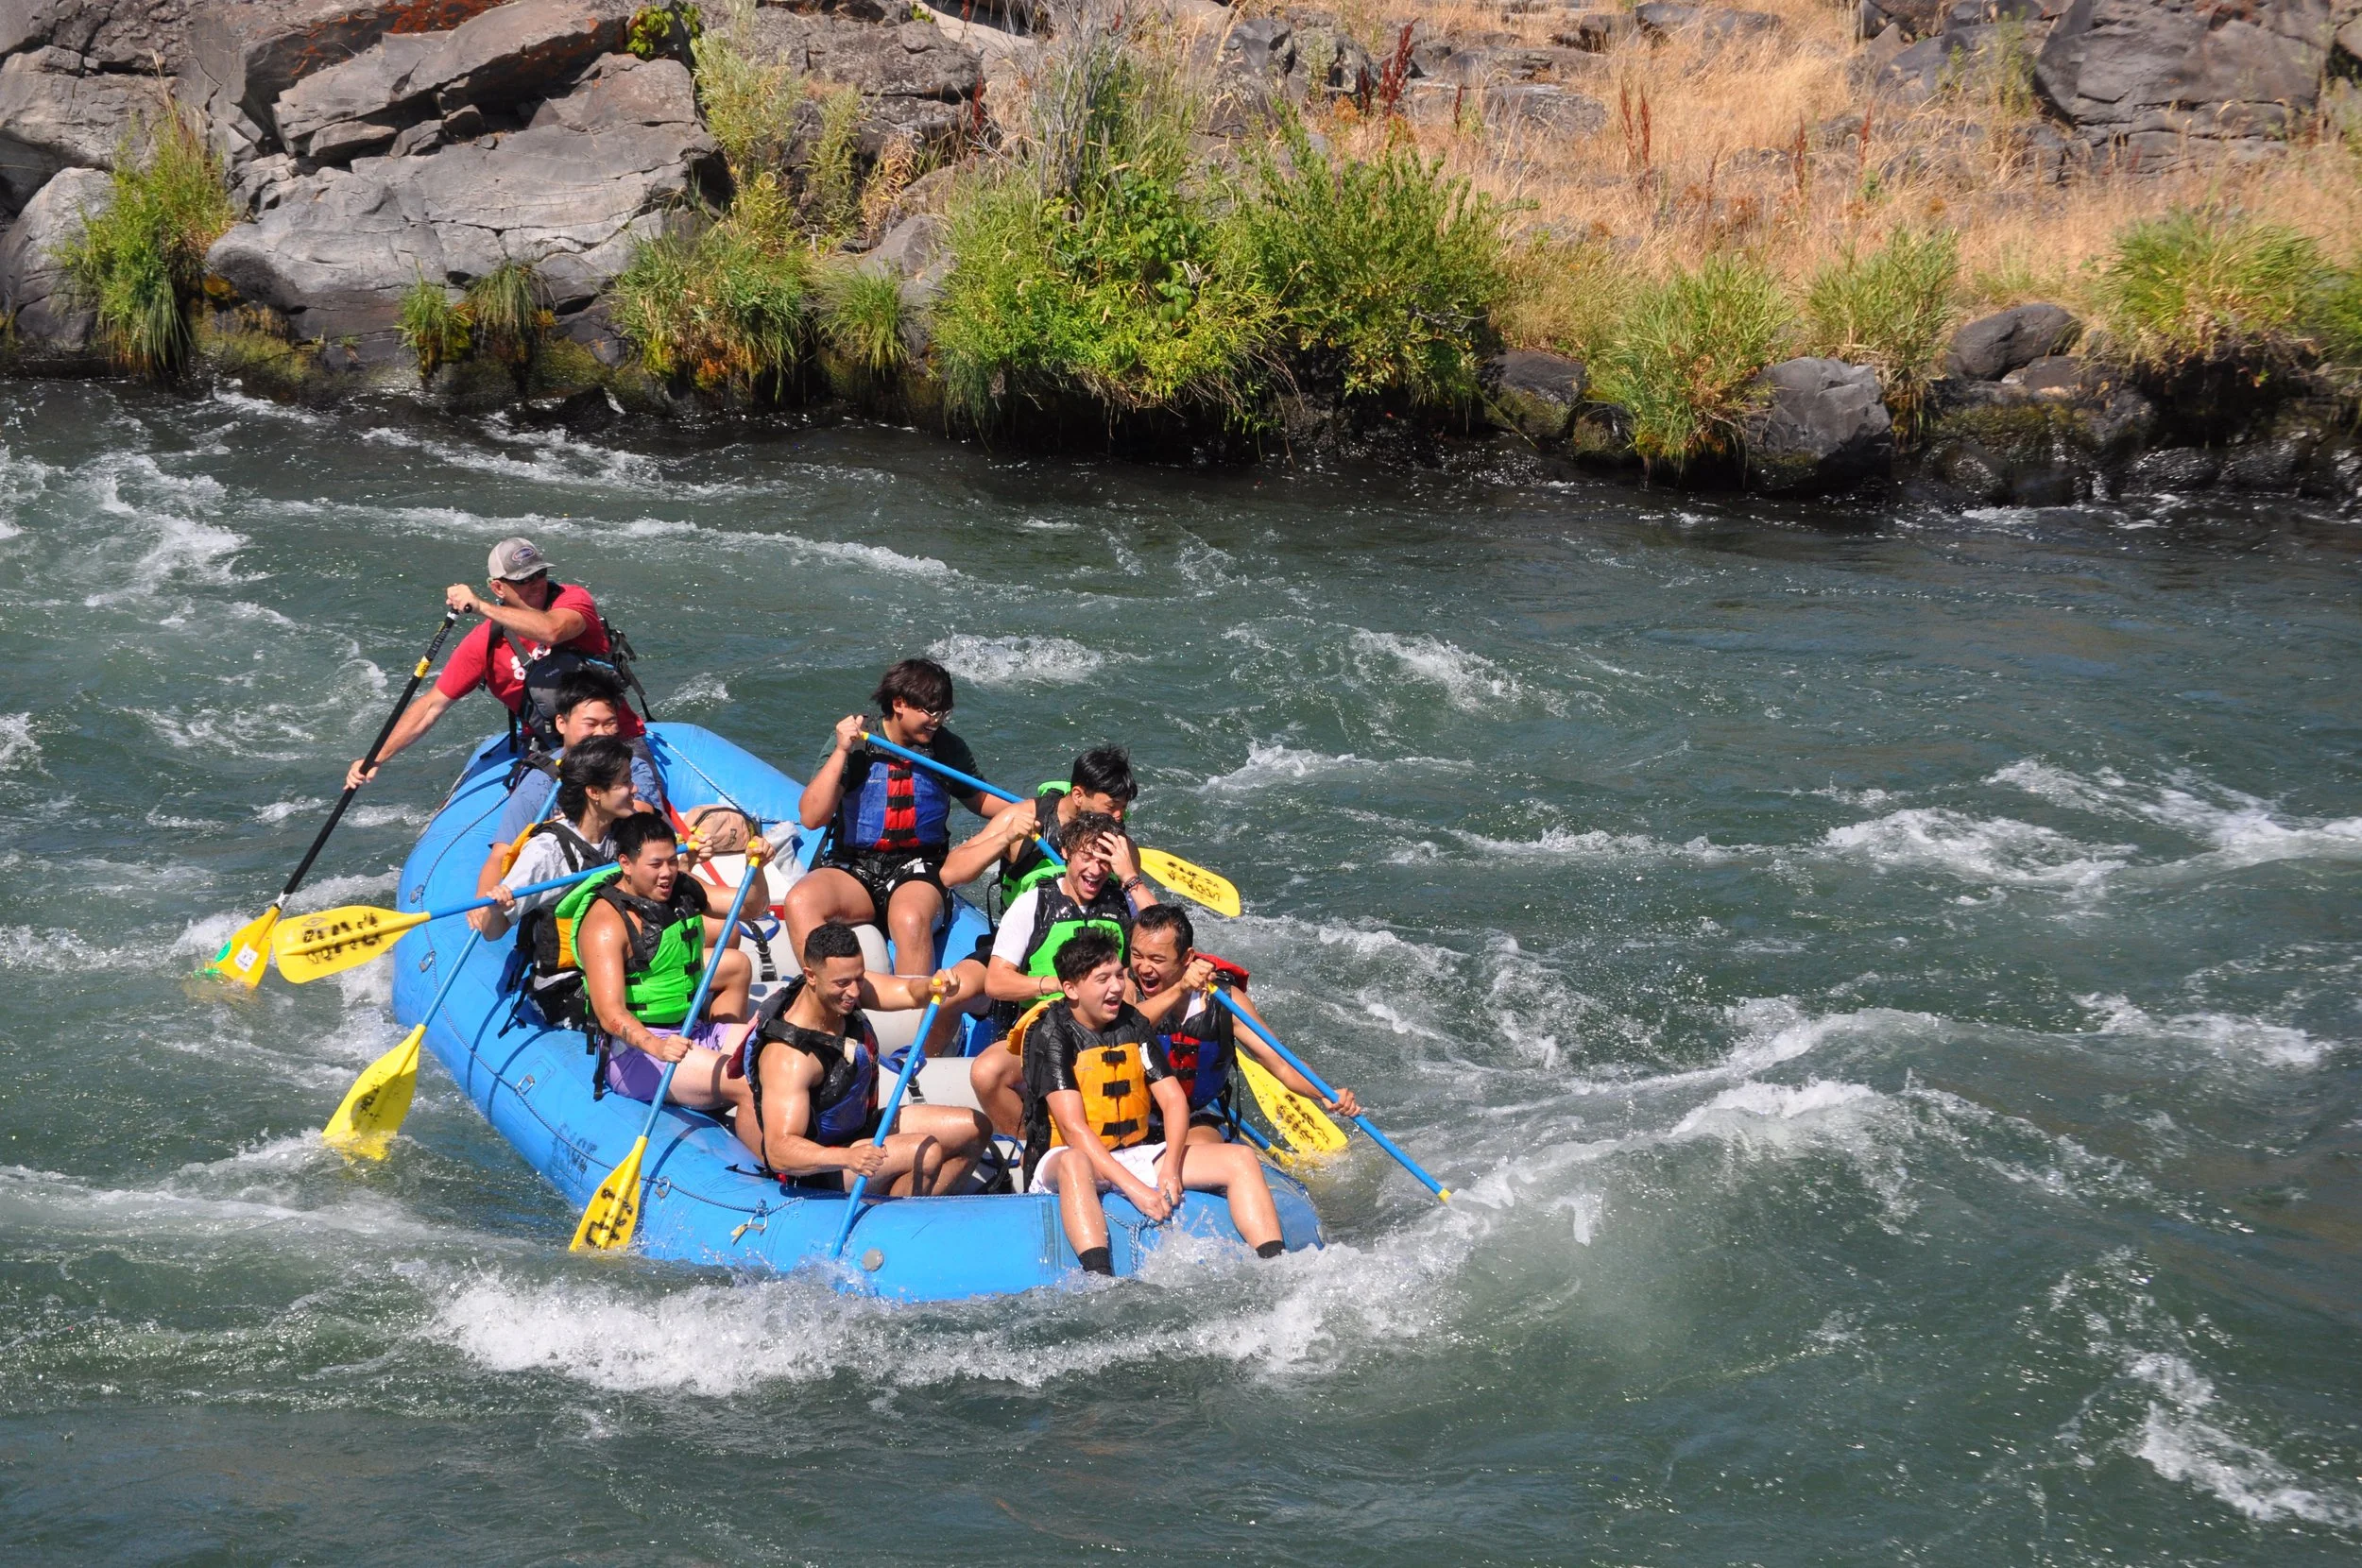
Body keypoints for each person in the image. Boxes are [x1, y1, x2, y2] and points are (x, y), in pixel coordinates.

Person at [1017, 931, 1284, 1275]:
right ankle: (1099, 1277)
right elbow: (1075, 1129)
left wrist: (1171, 1167)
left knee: (1241, 1158)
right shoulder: (1052, 1034)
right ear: (1071, 989)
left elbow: (1173, 1100)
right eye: (1102, 979)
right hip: (1067, 1158)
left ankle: (1276, 1268)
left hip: (1132, 1151)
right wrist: (1139, 1191)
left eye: (1118, 975)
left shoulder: (1134, 1024)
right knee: (1075, 1163)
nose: (1116, 987)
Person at [346, 537, 660, 808]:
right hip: (551, 749)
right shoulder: (483, 645)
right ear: (498, 586)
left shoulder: (572, 600)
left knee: (641, 812)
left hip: (618, 738)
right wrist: (377, 757)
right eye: (523, 579)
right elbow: (431, 707)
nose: (536, 583)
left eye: (539, 573)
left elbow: (551, 631)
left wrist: (481, 606)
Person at [786, 658, 1009, 979]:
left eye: (943, 713)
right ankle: (825, 997)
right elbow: (811, 817)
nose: (937, 722)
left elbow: (981, 798)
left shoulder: (947, 748)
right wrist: (841, 751)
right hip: (855, 867)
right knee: (800, 900)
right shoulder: (860, 741)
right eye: (930, 712)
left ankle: (910, 1019)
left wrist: (1036, 810)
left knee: (909, 919)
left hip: (919, 868)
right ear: (899, 703)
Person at [729, 922, 989, 1195]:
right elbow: (779, 1151)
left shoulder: (843, 990)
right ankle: (892, 1228)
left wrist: (933, 986)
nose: (854, 992)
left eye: (860, 978)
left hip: (862, 1129)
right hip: (824, 1167)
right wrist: (846, 1158)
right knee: (926, 1153)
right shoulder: (789, 1058)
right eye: (843, 983)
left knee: (975, 1129)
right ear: (811, 976)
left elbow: (910, 993)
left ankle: (923, 1211)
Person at [968, 813, 1145, 1136]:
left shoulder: (1122, 903)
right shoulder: (1033, 904)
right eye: (1086, 857)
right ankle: (1032, 1142)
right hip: (1047, 1029)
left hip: (1110, 1031)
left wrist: (1131, 878)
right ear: (1065, 852)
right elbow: (995, 982)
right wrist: (1061, 987)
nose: (1095, 869)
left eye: (1104, 860)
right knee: (986, 1073)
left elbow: (1164, 939)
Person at [1127, 904, 1360, 1145]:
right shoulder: (1122, 987)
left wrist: (1325, 1093)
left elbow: (1281, 1063)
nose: (1144, 968)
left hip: (1192, 1119)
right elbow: (1126, 1028)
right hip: (1126, 1116)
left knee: (1210, 1153)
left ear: (1187, 958)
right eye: (1137, 955)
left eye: (1156, 959)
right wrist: (1180, 988)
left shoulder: (1224, 1001)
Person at [573, 812, 756, 1111]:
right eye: (656, 864)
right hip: (637, 1052)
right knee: (747, 1082)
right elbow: (610, 1013)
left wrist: (756, 867)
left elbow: (751, 906)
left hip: (693, 1030)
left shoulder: (680, 888)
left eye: (672, 861)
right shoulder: (604, 924)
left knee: (774, 1059)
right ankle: (767, 1154)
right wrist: (656, 1046)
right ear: (626, 864)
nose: (668, 872)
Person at [936, 745, 1142, 912]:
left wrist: (1130, 878)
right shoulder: (1023, 817)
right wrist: (1006, 838)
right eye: (1111, 807)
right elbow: (950, 874)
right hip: (1024, 943)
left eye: (1123, 807)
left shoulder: (1121, 844)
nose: (1118, 817)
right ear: (1078, 796)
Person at [470, 736, 634, 941]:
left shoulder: (625, 831)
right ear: (594, 792)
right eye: (625, 781)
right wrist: (495, 910)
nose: (634, 789)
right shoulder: (547, 851)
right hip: (568, 970)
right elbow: (493, 932)